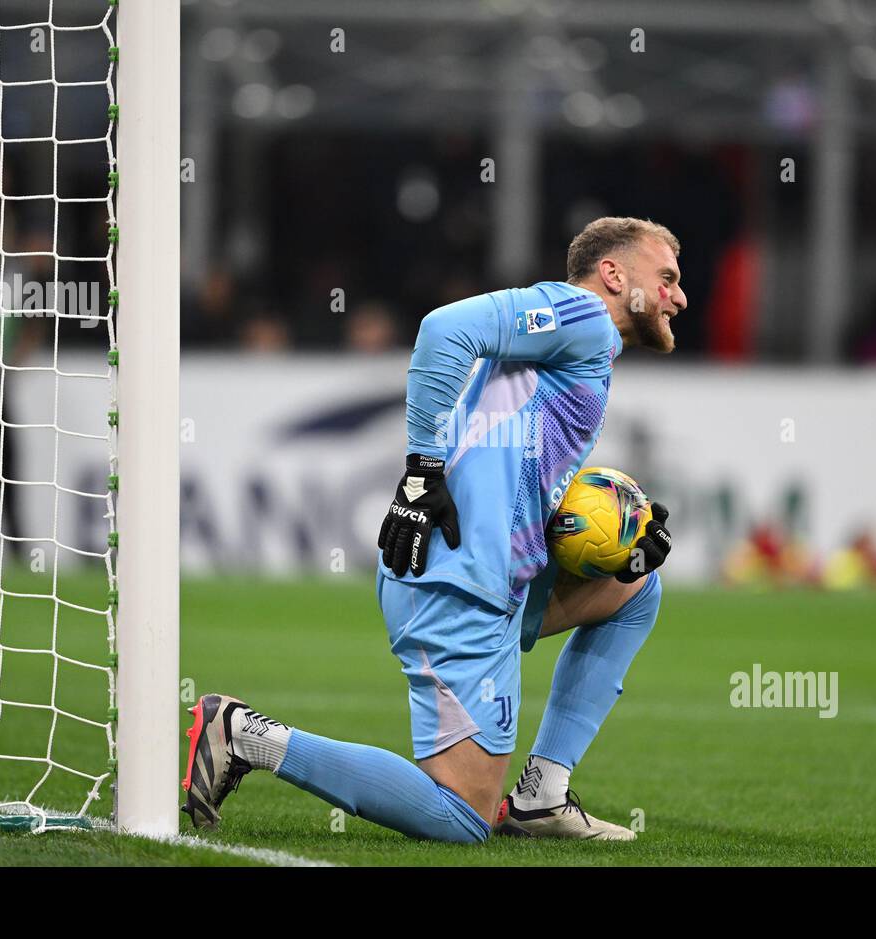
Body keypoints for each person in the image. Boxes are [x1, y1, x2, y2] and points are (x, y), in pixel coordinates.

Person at [181, 217, 683, 843]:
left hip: (491, 574)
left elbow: (510, 465)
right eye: (666, 277)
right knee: (462, 818)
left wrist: (616, 537)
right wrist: (422, 471)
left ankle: (541, 796)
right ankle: (247, 736)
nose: (679, 296)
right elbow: (443, 328)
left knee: (635, 585)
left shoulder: (573, 351)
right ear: (614, 275)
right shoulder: (581, 312)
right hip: (457, 576)